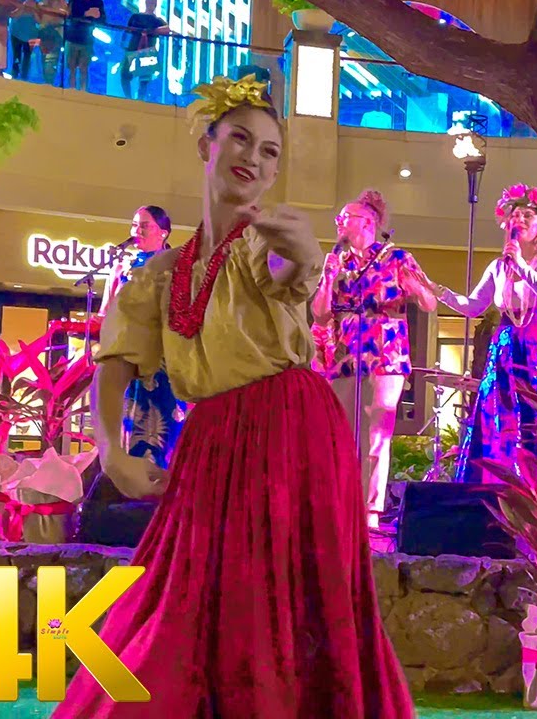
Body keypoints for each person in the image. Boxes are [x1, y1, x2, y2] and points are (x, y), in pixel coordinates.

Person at [52, 76, 413, 718]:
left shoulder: (262, 243)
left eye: (271, 151)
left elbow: (290, 276)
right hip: (214, 440)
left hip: (293, 430)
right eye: (241, 139)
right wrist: (110, 451)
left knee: (290, 602)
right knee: (180, 598)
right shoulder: (161, 275)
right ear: (206, 145)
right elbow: (115, 361)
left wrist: (303, 259)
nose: (255, 157)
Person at [425, 184, 537, 484]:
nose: (519, 220)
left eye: (527, 215)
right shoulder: (499, 267)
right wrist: (437, 291)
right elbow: (473, 306)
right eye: (514, 216)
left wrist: (521, 265)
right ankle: (499, 484)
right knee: (502, 414)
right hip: (508, 346)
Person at [312, 189, 436, 529]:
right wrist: (326, 276)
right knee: (341, 433)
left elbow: (429, 302)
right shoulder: (337, 261)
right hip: (344, 355)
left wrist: (415, 288)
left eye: (345, 217)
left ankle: (370, 511)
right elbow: (321, 314)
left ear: (368, 223)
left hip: (386, 354)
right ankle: (340, 504)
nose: (338, 223)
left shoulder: (396, 258)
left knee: (376, 434)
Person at [98, 205, 186, 470]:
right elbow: (106, 311)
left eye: (144, 225)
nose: (137, 231)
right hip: (127, 357)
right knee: (127, 419)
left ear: (163, 232)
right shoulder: (122, 267)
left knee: (162, 424)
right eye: (134, 224)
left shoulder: (174, 267)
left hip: (162, 359)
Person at [119, 0, 169, 100]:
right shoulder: (136, 17)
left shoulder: (157, 20)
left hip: (146, 52)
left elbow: (167, 29)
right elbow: (127, 31)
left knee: (144, 78)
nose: (150, 5)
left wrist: (154, 31)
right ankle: (129, 98)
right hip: (133, 49)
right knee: (125, 74)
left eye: (152, 3)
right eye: (149, 2)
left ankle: (139, 99)